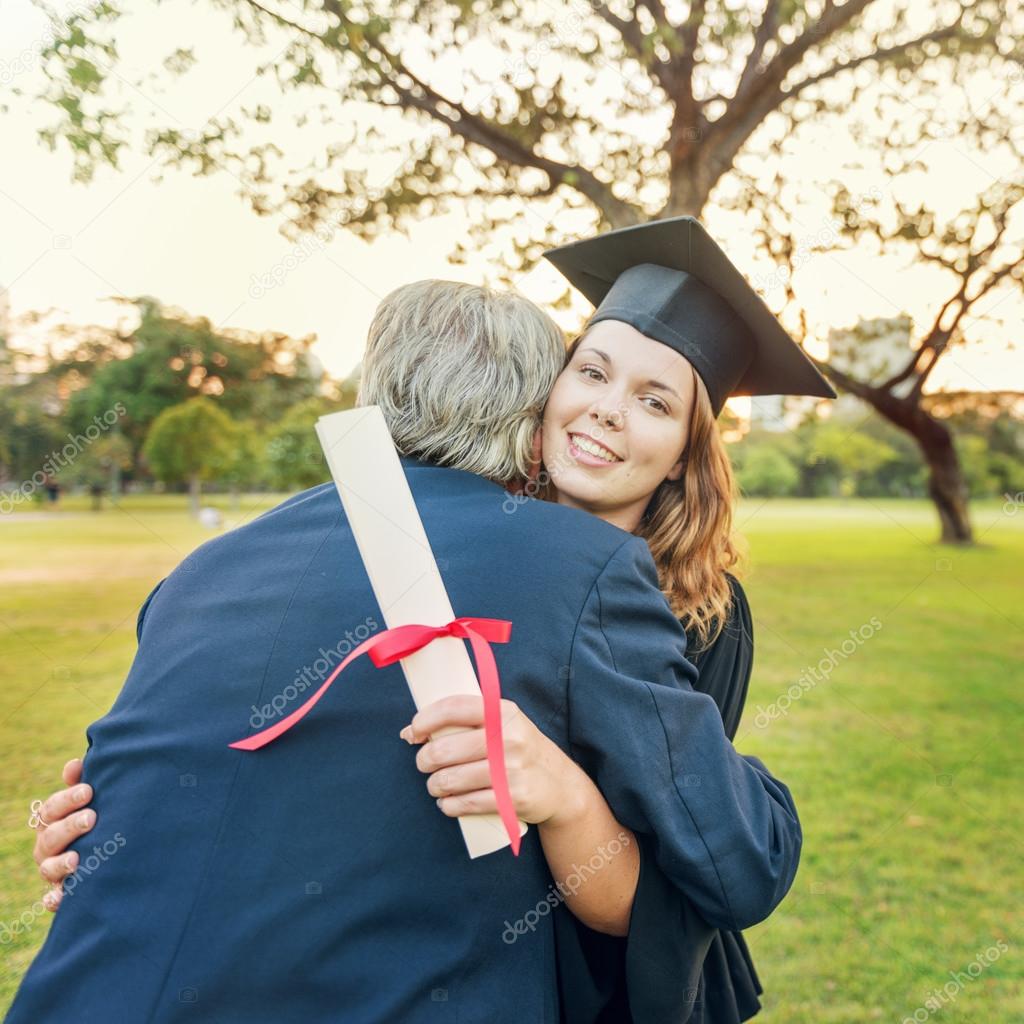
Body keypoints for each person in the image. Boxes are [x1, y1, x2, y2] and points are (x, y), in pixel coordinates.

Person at [19, 219, 826, 1022]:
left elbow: (695, 856)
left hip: (590, 968)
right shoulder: (404, 545)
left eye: (654, 401)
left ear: (690, 449)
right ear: (545, 395)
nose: (609, 411)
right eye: (591, 373)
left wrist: (569, 797)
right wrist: (123, 820)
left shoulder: (703, 613)